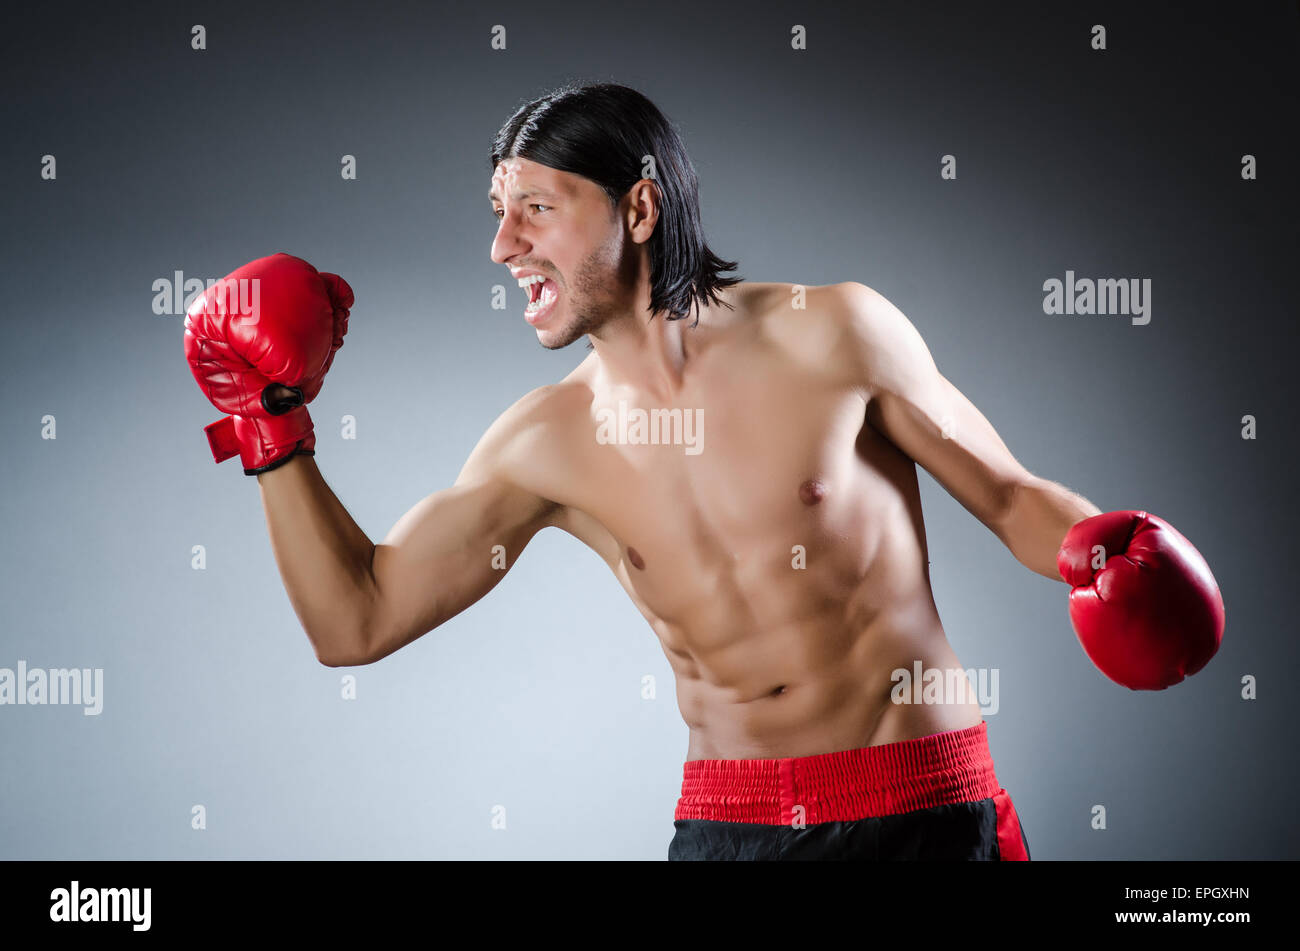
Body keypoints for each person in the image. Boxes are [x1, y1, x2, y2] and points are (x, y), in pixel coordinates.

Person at [183, 83, 1225, 861]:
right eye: (497, 211)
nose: (501, 246)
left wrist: (1096, 546)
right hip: (731, 831)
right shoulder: (544, 441)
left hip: (919, 810)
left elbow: (1006, 496)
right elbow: (354, 623)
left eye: (536, 210)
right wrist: (272, 426)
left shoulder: (836, 335)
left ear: (637, 210)